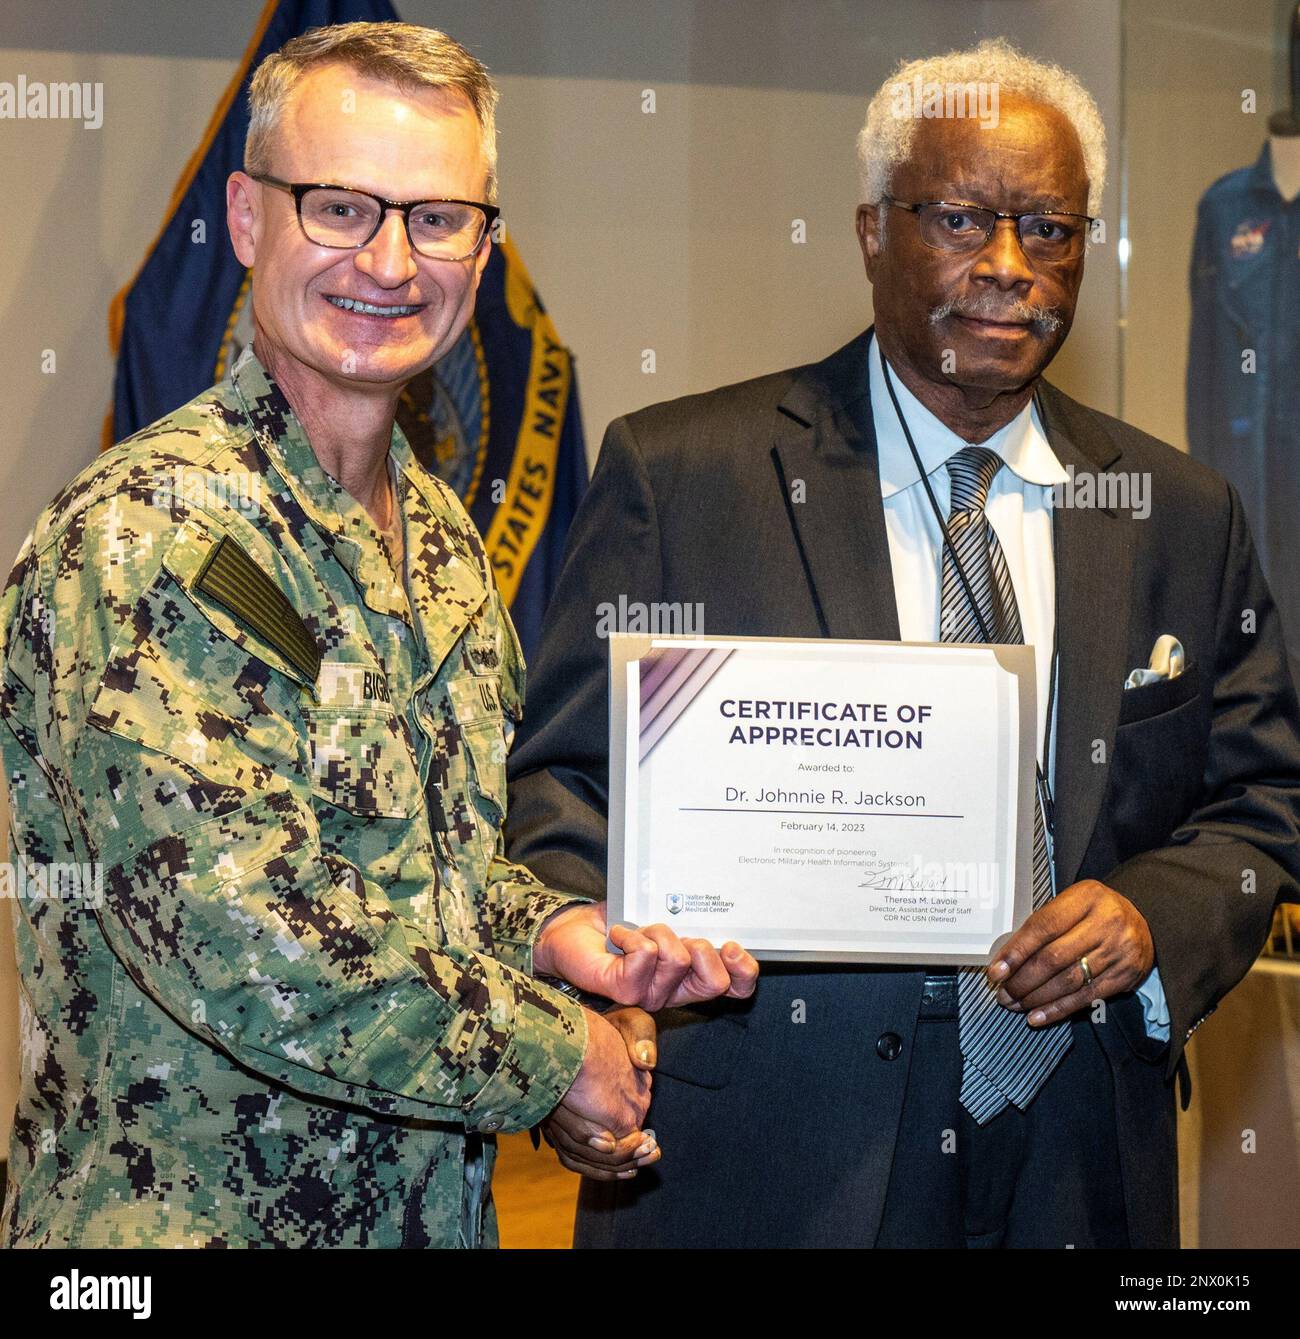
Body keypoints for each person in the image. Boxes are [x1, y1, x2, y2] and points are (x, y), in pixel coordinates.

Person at [506, 38, 1300, 1247]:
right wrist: (586, 1008)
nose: (1007, 268)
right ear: (872, 230)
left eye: (1048, 229)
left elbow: (1262, 798)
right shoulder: (682, 477)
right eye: (962, 219)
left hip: (1080, 1144)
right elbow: (561, 786)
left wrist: (1149, 920)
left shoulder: (1178, 513)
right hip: (765, 1149)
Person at [0, 21, 756, 1249]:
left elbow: (423, 881)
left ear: (484, 244)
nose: (391, 261)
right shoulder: (151, 537)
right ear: (248, 222)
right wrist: (555, 1055)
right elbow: (242, 932)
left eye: (439, 217)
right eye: (340, 208)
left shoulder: (446, 544)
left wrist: (560, 936)